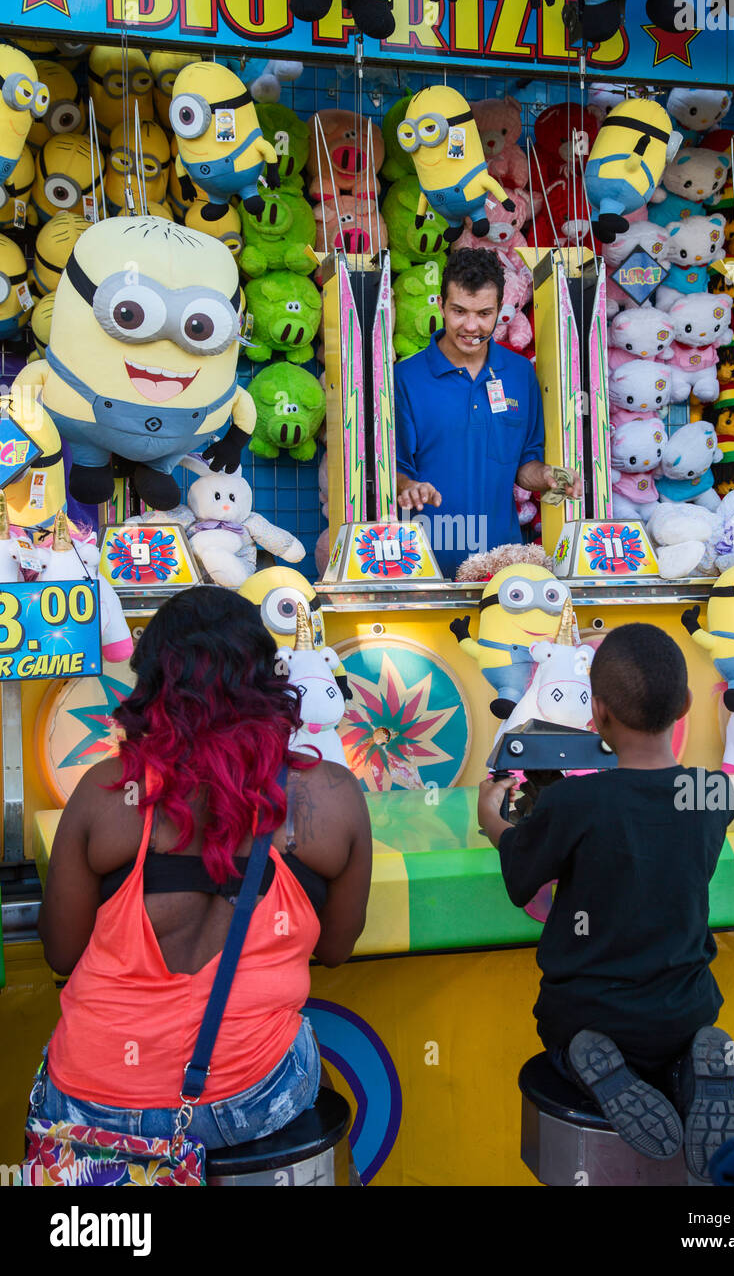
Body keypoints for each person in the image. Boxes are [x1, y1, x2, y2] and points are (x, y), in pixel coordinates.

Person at [35, 586, 372, 1152]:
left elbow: (60, 955)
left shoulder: (105, 793)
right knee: (303, 1046)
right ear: (268, 681)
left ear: (151, 687)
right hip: (247, 1097)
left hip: (92, 1099)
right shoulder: (332, 797)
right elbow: (336, 950)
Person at [477, 622, 734, 1181]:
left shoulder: (576, 800)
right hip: (685, 1008)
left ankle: (593, 1062)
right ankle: (693, 1067)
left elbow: (522, 877)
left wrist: (495, 824)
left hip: (590, 1011)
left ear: (597, 714)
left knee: (570, 1036)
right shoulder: (715, 793)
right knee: (676, 1044)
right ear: (686, 705)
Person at [394, 247, 579, 578]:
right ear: (440, 305)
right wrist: (409, 486)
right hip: (424, 566)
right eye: (459, 311)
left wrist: (549, 476)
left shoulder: (520, 373)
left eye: (484, 313)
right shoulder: (406, 378)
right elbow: (394, 472)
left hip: (502, 568)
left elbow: (526, 464)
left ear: (499, 310)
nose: (471, 326)